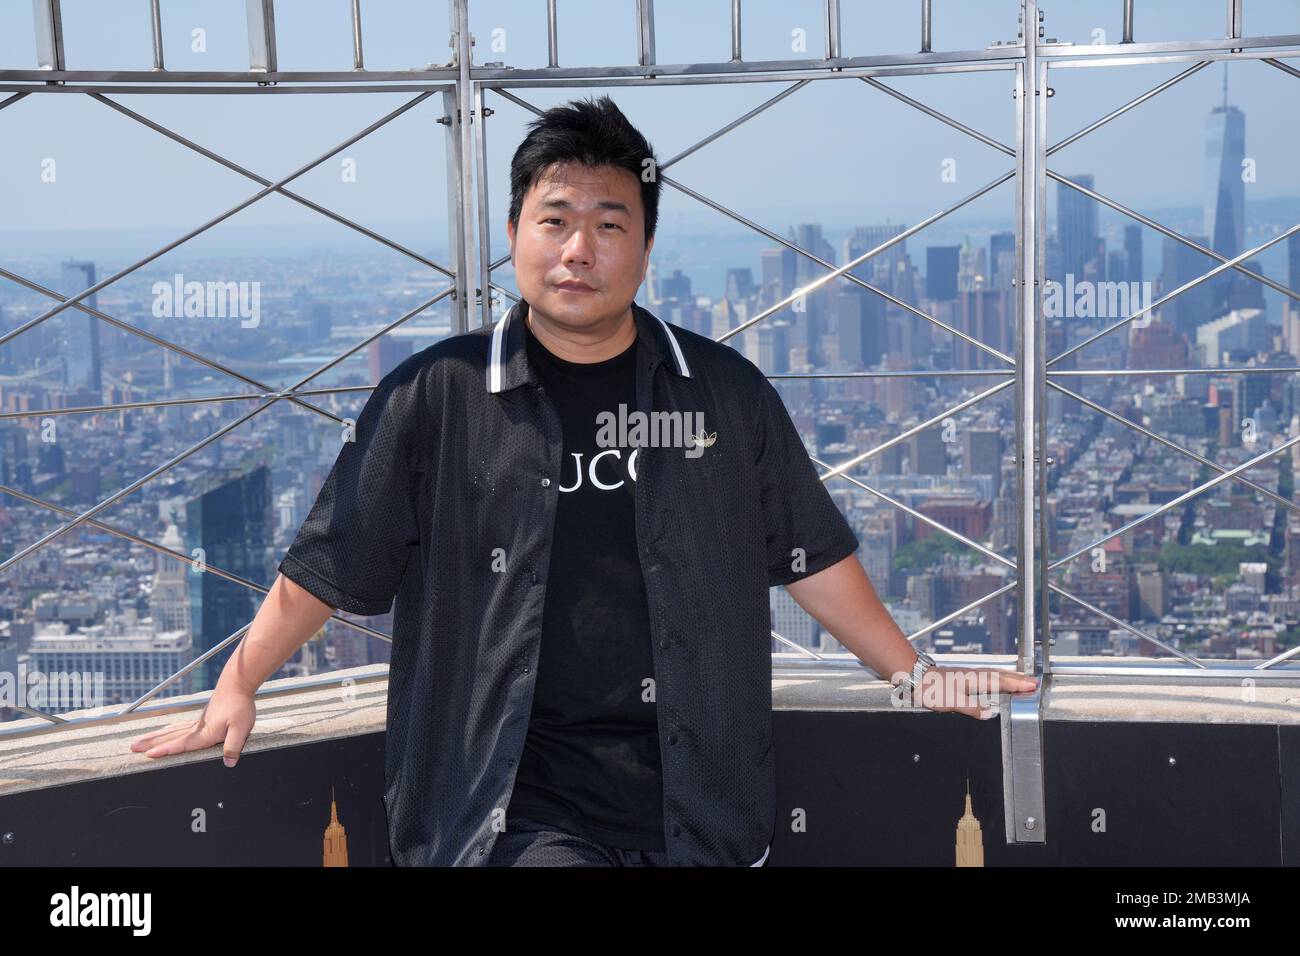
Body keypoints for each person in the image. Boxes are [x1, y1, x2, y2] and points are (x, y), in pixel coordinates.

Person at [130, 94, 1038, 867]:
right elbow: (332, 562)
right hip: (508, 802)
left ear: (644, 251)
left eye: (609, 226)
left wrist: (916, 675)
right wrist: (241, 679)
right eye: (554, 220)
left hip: (699, 800)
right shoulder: (435, 400)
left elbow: (809, 553)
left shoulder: (723, 394)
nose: (578, 250)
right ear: (514, 235)